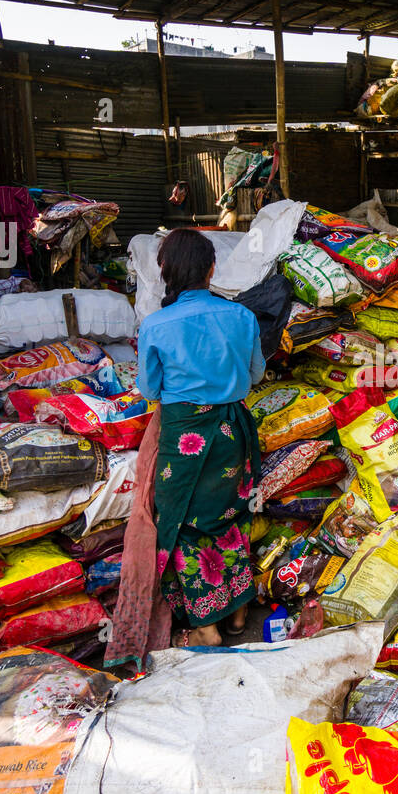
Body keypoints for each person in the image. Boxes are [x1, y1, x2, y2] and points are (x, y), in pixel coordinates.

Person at [138, 228, 266, 647]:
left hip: (183, 440)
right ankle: (238, 612)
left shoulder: (155, 325)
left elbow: (150, 390)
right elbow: (254, 376)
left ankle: (207, 625)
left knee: (185, 525)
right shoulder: (242, 317)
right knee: (232, 518)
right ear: (212, 269)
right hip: (232, 432)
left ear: (165, 271)